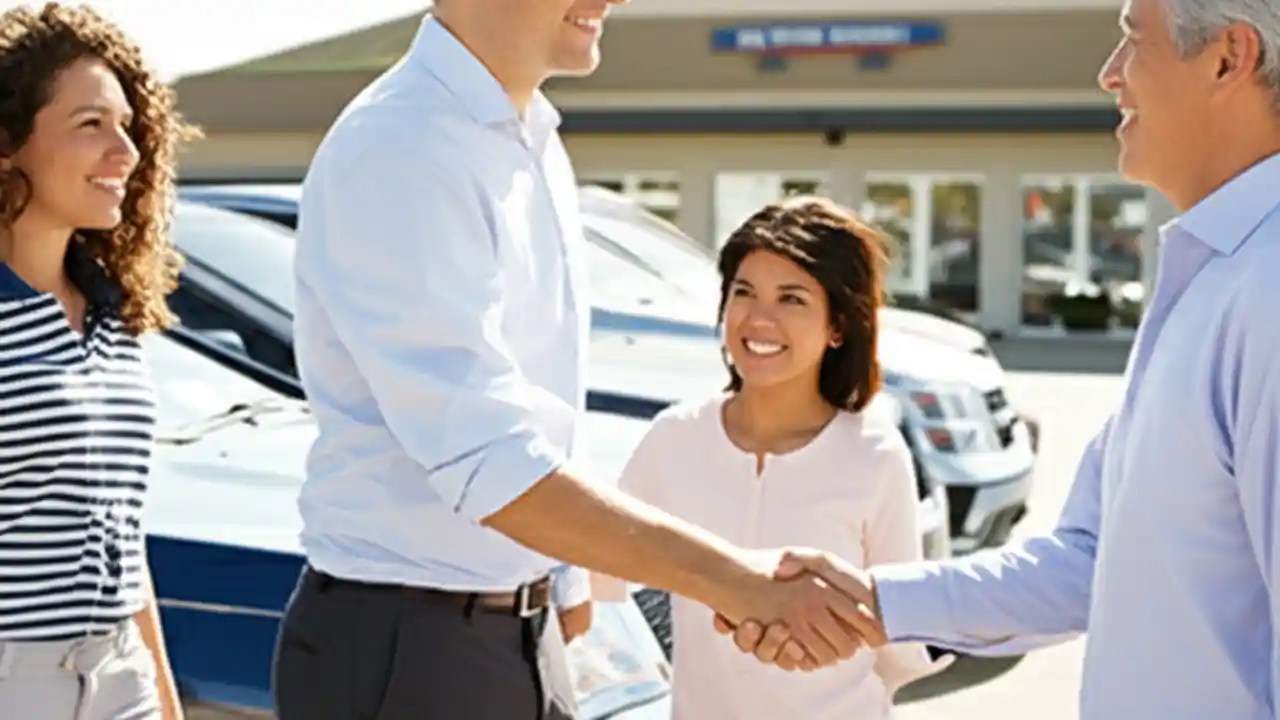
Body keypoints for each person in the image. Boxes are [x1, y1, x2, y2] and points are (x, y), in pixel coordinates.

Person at [273, 2, 882, 718]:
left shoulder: (529, 141)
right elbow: (486, 458)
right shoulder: (400, 146)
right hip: (411, 649)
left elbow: (541, 395)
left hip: (511, 634)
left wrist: (562, 583)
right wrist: (737, 580)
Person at [721, 0, 1280, 716]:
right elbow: (1091, 559)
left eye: (1133, 43)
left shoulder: (1265, 291)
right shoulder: (1212, 281)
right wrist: (872, 599)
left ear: (1229, 58)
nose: (1111, 76)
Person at [593, 197, 950, 719]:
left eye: (792, 299)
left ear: (838, 327)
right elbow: (599, 581)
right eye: (744, 293)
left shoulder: (876, 456)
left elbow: (900, 646)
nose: (760, 319)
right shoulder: (674, 438)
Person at [0, 3, 196, 719]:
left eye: (127, 126)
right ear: (7, 143)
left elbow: (123, 531)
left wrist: (164, 704)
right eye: (92, 126)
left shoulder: (113, 314)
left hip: (121, 675)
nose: (129, 152)